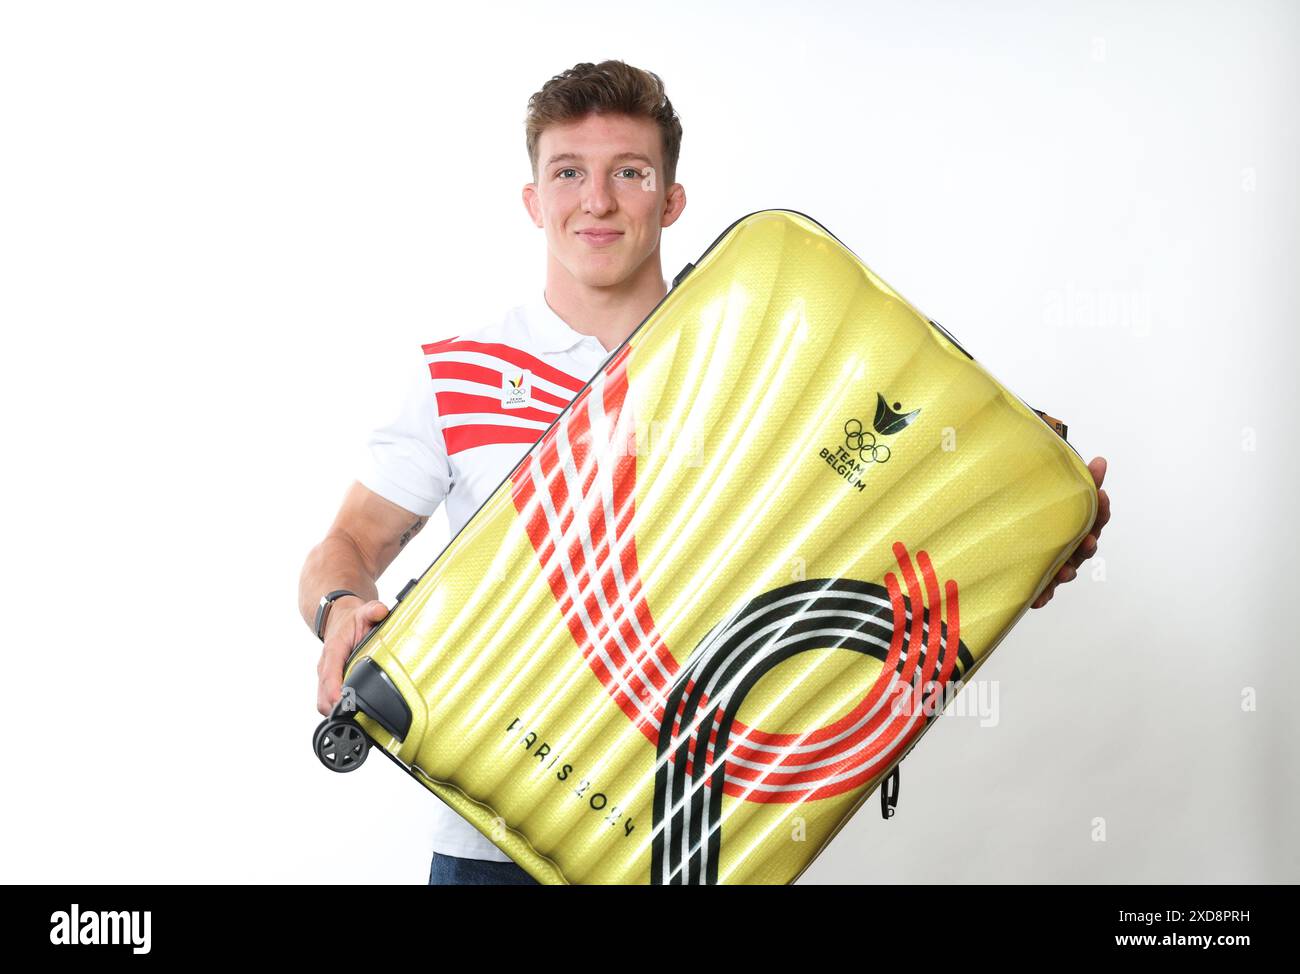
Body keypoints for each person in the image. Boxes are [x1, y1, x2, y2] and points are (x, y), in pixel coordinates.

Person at [298, 59, 1112, 886]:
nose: (597, 200)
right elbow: (348, 545)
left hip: (688, 849)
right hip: (485, 834)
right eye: (568, 172)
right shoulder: (459, 373)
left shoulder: (771, 368)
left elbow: (871, 541)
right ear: (532, 199)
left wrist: (1028, 537)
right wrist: (338, 610)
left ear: (672, 199)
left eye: (630, 173)